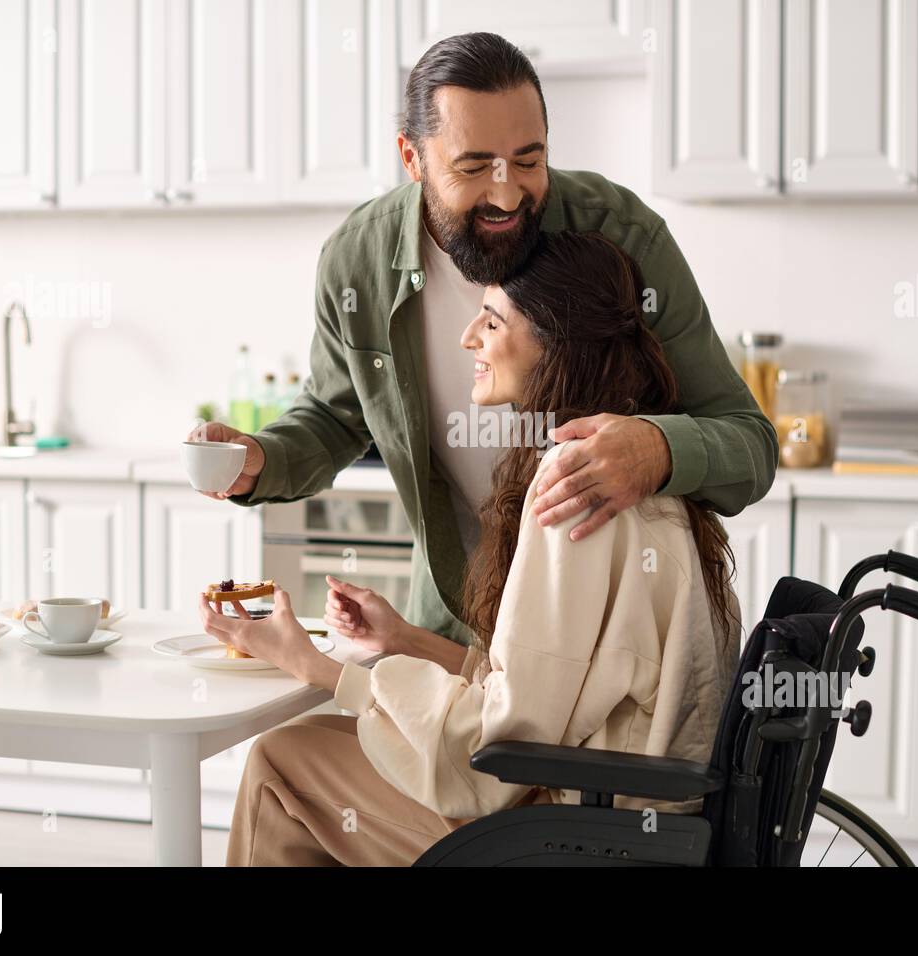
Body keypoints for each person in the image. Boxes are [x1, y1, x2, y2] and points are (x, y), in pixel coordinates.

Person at [190, 32, 776, 647]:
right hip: (451, 625)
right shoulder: (355, 261)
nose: (506, 193)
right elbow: (335, 419)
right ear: (412, 159)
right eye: (473, 168)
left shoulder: (620, 236)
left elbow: (751, 444)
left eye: (529, 161)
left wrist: (656, 448)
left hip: (614, 638)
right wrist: (260, 460)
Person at [200, 232, 742, 866]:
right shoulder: (635, 463)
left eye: (492, 321)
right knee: (311, 744)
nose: (468, 339)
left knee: (277, 762)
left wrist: (311, 664)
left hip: (573, 836)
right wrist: (403, 640)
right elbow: (550, 691)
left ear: (554, 342)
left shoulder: (572, 484)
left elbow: (495, 750)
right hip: (639, 817)